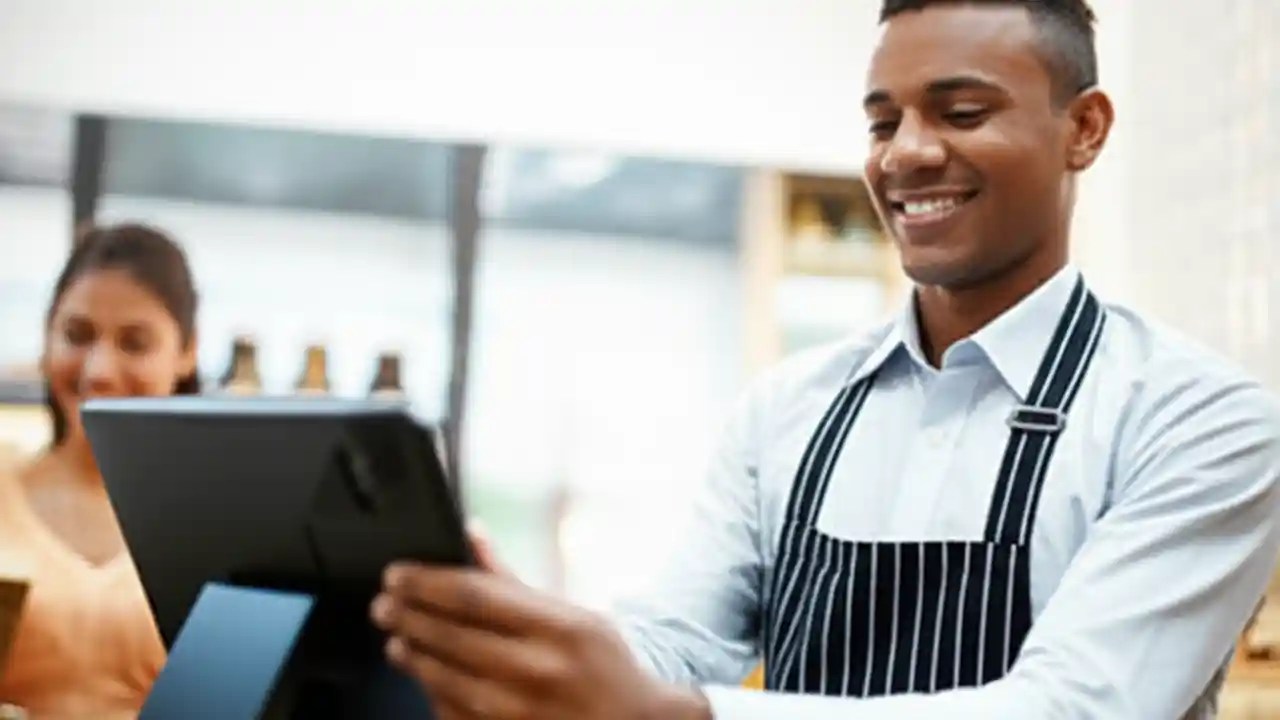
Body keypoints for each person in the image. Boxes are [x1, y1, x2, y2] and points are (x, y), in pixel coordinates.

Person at [370, 1, 1280, 718]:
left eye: (962, 112)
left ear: (1084, 128)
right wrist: (538, 647)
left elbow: (1070, 710)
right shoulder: (790, 406)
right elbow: (680, 644)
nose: (909, 154)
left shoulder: (1198, 420)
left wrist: (672, 718)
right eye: (884, 124)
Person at [0, 224, 201, 718]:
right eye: (77, 335)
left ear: (186, 353)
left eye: (134, 343)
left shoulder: (217, 522)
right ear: (45, 338)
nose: (99, 371)